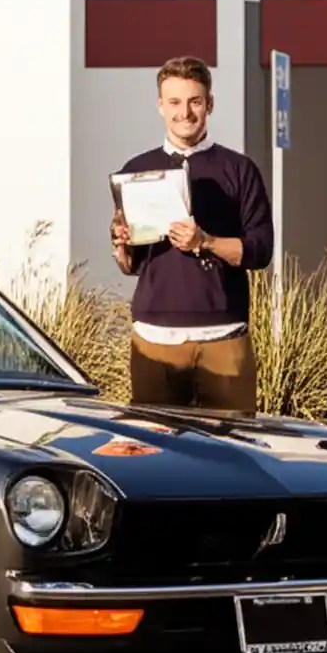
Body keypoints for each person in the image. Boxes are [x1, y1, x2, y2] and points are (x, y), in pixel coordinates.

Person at [109, 56, 274, 414]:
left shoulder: (240, 170)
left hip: (224, 337)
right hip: (154, 340)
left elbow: (261, 251)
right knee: (154, 457)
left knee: (235, 452)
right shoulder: (135, 172)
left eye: (194, 101)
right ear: (160, 106)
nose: (185, 112)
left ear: (209, 104)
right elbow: (131, 265)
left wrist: (206, 242)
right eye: (174, 102)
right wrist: (121, 246)